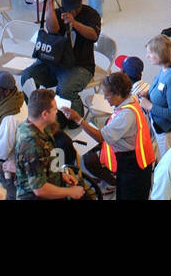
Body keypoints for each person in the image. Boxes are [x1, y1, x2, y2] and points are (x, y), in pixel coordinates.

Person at [65, 72, 156, 200]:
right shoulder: (131, 100)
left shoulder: (126, 115)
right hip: (133, 159)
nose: (105, 97)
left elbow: (100, 137)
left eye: (107, 94)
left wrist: (79, 120)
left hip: (134, 167)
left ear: (118, 94)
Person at [19, 0, 101, 117]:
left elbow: (93, 35)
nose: (72, 12)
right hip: (55, 61)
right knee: (28, 77)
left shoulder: (91, 14)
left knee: (64, 90)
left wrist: (74, 23)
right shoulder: (60, 11)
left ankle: (77, 119)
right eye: (69, 9)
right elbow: (52, 30)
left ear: (80, 4)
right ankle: (38, 114)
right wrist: (50, 2)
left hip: (80, 65)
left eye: (75, 9)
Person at [13, 89, 85, 200]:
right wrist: (70, 192)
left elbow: (47, 159)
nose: (57, 112)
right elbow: (40, 189)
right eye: (55, 109)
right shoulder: (32, 145)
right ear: (45, 114)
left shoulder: (38, 126)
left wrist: (61, 175)